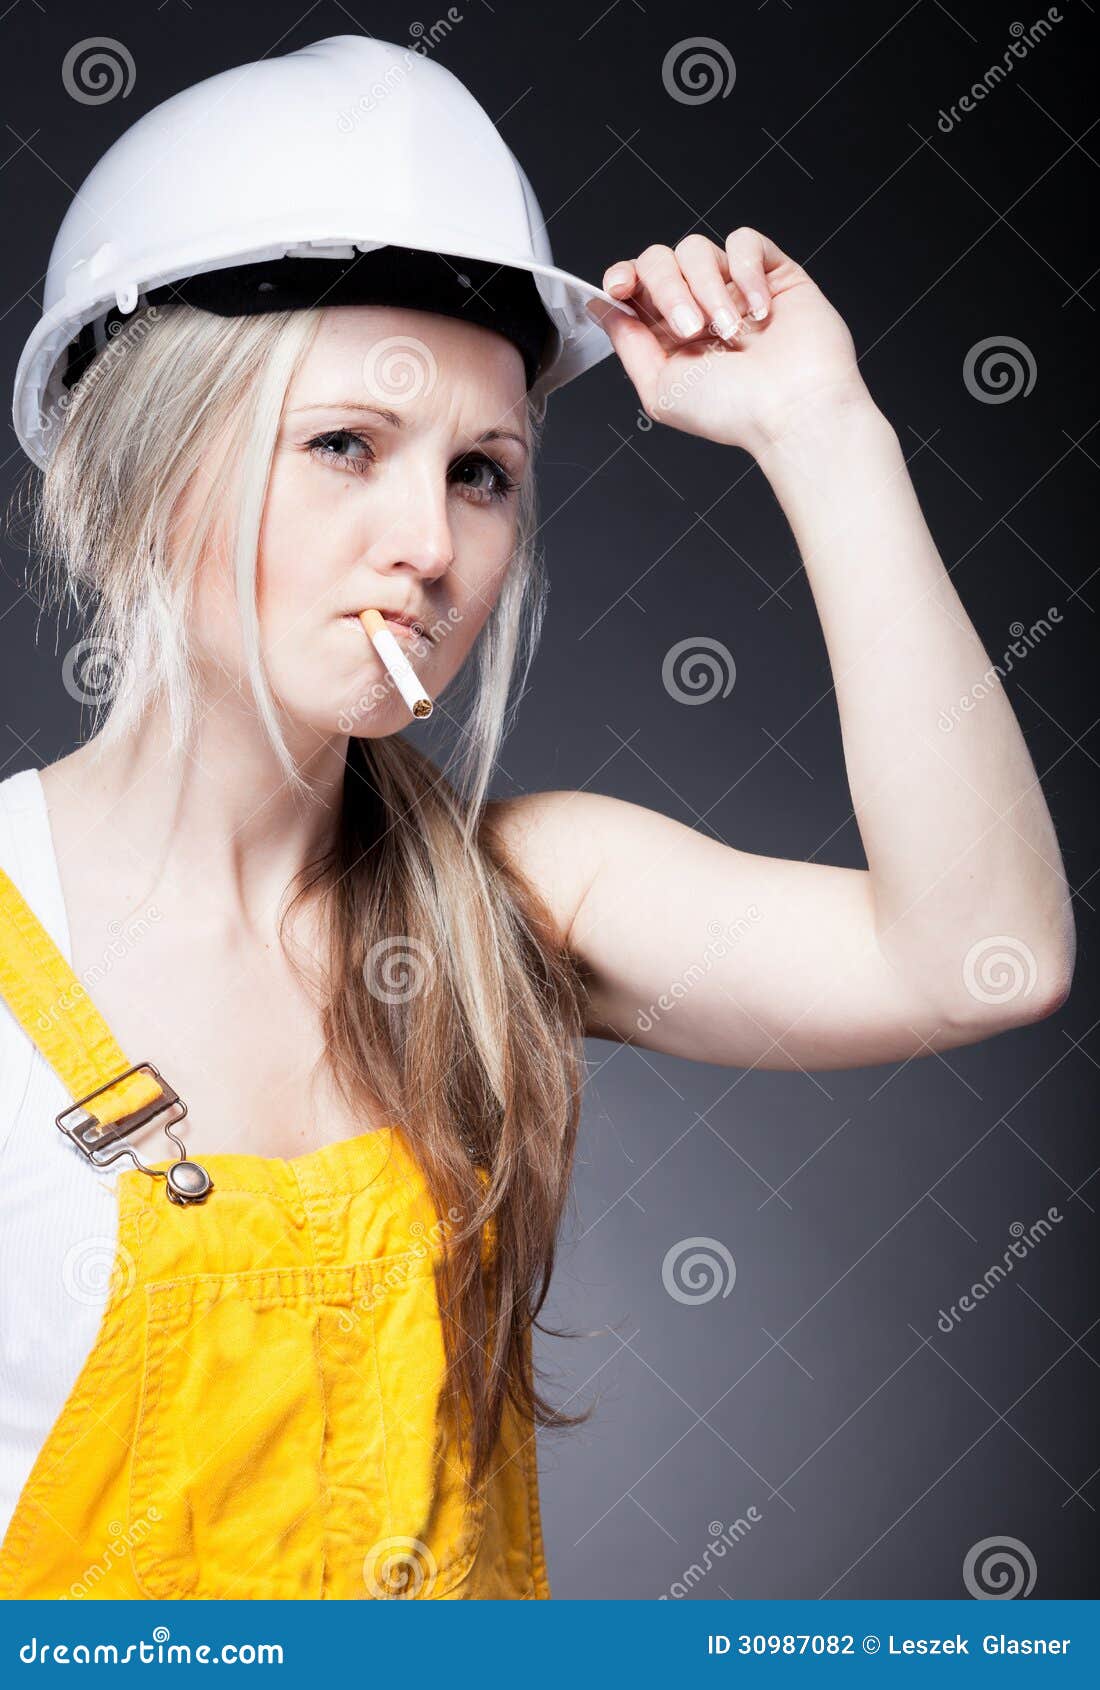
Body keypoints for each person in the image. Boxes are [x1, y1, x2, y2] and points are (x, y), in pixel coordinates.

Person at [0, 35, 1073, 1601]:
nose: (428, 545)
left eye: (485, 473)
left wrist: (824, 435)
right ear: (141, 461)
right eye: (345, 447)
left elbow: (984, 953)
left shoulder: (519, 900)